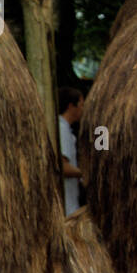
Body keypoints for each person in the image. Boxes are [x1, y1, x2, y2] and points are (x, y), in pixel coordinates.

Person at [58, 87, 84, 215]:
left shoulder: (66, 130)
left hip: (71, 201)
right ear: (71, 106)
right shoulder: (62, 130)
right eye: (80, 104)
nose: (82, 109)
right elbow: (63, 166)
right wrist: (84, 174)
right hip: (67, 205)